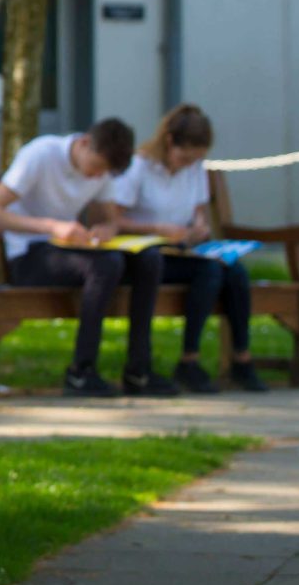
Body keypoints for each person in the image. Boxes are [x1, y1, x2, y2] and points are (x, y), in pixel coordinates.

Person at [0, 120, 178, 397]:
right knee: (107, 265)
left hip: (72, 252)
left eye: (103, 173)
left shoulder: (102, 170)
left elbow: (109, 220)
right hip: (29, 255)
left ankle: (139, 369)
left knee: (149, 260)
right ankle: (81, 372)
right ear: (83, 143)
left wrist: (106, 230)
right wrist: (52, 226)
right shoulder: (41, 154)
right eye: (95, 168)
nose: (97, 177)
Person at [110, 104, 268, 393]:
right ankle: (189, 360)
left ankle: (241, 360)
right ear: (169, 142)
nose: (188, 164)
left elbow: (198, 212)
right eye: (184, 156)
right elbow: (114, 220)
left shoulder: (195, 169)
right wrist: (158, 229)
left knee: (235, 273)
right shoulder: (139, 167)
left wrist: (198, 228)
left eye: (195, 159)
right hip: (146, 256)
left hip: (183, 251)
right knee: (209, 272)